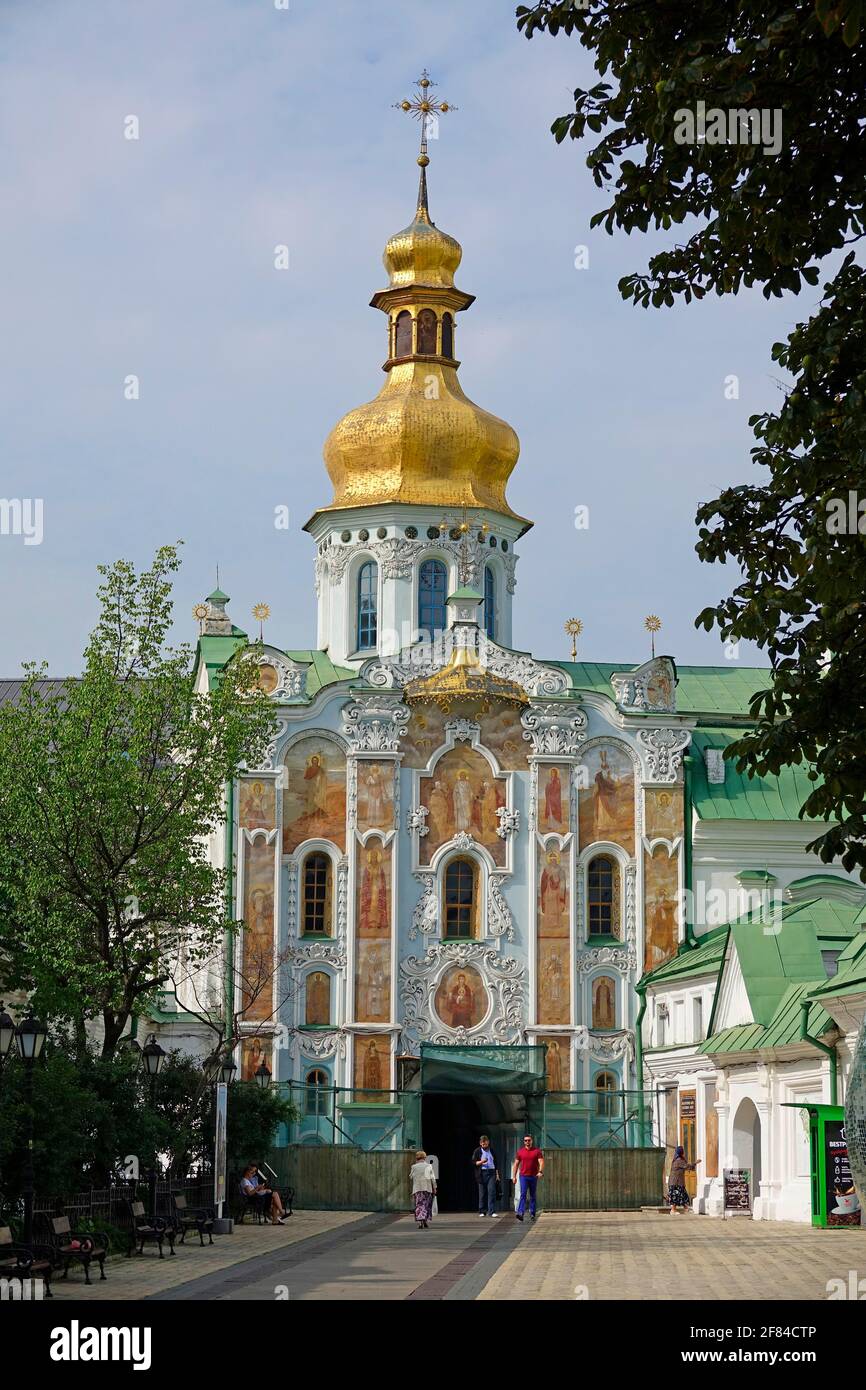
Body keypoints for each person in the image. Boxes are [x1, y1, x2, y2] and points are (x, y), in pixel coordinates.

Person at [512, 1134, 544, 1222]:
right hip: (523, 1176)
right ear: (524, 1142)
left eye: (529, 1140)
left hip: (533, 1176)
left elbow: (541, 1161)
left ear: (532, 1141)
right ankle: (520, 1213)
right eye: (525, 1140)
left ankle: (532, 1213)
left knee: (533, 1195)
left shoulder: (537, 1151)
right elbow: (516, 1164)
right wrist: (514, 1177)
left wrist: (540, 1171)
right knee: (523, 1194)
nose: (527, 1142)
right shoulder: (520, 1152)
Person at [472, 1135, 499, 1217]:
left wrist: (497, 1174)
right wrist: (481, 1161)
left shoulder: (492, 1150)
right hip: (481, 1173)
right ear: (480, 1143)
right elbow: (474, 1162)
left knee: (491, 1191)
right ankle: (482, 1211)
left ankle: (492, 1211)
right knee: (482, 1193)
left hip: (491, 1172)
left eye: (485, 1143)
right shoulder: (477, 1151)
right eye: (482, 1144)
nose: (484, 1145)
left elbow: (496, 1163)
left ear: (488, 1142)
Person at [410, 1149, 437, 1229]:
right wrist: (435, 1188)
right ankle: (425, 1221)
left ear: (417, 1158)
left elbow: (411, 1176)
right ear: (425, 1157)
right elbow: (433, 1178)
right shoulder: (429, 1166)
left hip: (417, 1188)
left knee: (419, 1204)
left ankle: (420, 1221)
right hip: (427, 1188)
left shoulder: (414, 1166)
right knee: (426, 1204)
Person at [668, 1145, 698, 1214]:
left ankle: (686, 1209)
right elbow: (687, 1166)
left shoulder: (678, 1159)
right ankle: (673, 1210)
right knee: (675, 1196)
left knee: (683, 1195)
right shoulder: (679, 1160)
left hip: (678, 1182)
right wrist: (695, 1163)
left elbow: (687, 1166)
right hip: (675, 1182)